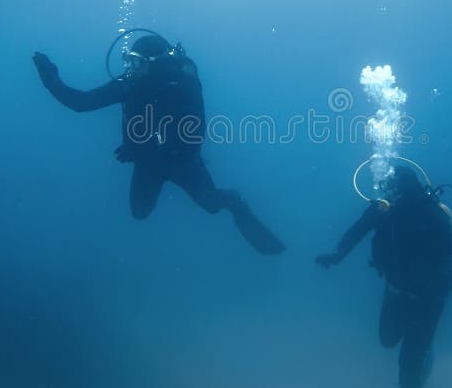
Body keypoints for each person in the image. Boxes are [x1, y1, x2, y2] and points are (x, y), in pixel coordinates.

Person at [32, 32, 285, 255]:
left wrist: (145, 145)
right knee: (139, 212)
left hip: (184, 162)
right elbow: (81, 103)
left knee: (211, 205)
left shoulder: (183, 84)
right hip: (148, 164)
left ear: (156, 63)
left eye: (137, 62)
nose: (131, 67)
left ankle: (235, 201)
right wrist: (49, 77)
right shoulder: (130, 84)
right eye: (128, 60)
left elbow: (195, 133)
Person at [316, 167, 452, 388]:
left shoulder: (416, 211)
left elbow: (357, 232)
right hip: (408, 292)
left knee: (408, 370)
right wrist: (337, 256)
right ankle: (420, 357)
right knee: (388, 340)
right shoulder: (389, 210)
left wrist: (337, 256)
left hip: (425, 297)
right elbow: (357, 231)